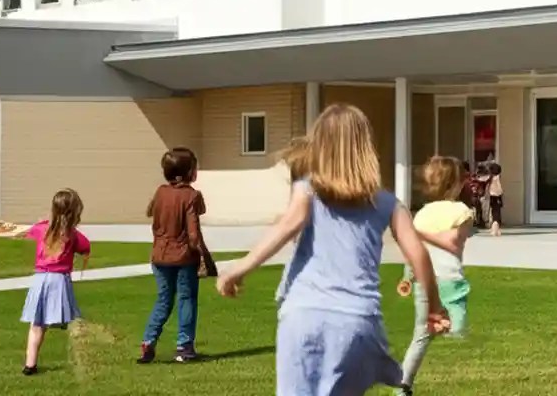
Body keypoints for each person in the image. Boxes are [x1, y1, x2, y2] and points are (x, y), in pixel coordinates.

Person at [216, 104, 449, 396]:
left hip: (302, 317)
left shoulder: (307, 190)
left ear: (319, 146)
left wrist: (239, 268)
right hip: (358, 323)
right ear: (366, 147)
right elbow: (419, 255)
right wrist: (435, 306)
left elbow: (287, 225)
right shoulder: (388, 203)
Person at [396, 156, 475, 396]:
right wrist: (408, 276)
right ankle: (403, 387)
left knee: (421, 336)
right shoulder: (462, 211)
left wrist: (408, 274)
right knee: (457, 329)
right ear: (456, 184)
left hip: (425, 283)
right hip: (450, 282)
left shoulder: (421, 216)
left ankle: (403, 386)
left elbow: (414, 249)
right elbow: (453, 243)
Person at [138, 147, 209, 364]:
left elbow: (151, 211)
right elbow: (193, 233)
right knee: (187, 299)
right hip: (184, 258)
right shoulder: (191, 196)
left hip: (159, 257)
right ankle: (184, 346)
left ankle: (148, 341)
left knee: (164, 300)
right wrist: (203, 256)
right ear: (189, 172)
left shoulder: (161, 192)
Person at [19, 188, 90, 376]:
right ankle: (73, 349)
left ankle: (30, 364)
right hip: (59, 280)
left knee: (37, 324)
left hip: (40, 279)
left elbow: (28, 232)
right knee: (58, 319)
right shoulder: (73, 234)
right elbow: (86, 247)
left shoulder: (42, 228)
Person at [486, 162, 504, 237]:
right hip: (497, 196)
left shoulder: (491, 178)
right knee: (496, 213)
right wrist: (501, 192)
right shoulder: (497, 178)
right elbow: (500, 187)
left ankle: (495, 229)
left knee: (494, 213)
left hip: (492, 196)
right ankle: (495, 229)